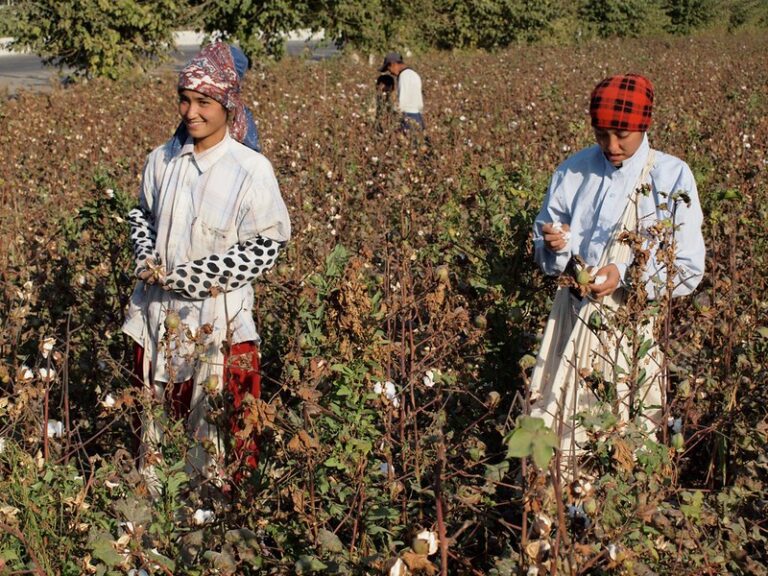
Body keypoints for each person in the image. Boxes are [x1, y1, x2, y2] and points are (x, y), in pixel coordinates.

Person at [122, 41, 291, 489]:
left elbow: (269, 242)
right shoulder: (161, 160)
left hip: (221, 323)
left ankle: (218, 532)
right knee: (160, 430)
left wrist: (199, 277)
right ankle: (159, 532)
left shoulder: (250, 169)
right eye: (185, 100)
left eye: (204, 102)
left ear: (228, 104)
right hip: (159, 317)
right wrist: (145, 254)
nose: (191, 112)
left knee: (224, 436)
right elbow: (142, 214)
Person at [529, 74, 705, 463]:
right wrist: (555, 246)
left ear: (645, 124)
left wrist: (625, 275)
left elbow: (689, 268)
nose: (611, 145)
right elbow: (544, 244)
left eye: (622, 134)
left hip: (632, 327)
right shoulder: (573, 170)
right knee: (559, 434)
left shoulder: (671, 176)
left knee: (626, 439)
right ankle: (559, 513)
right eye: (601, 133)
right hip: (570, 317)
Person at [379, 52, 424, 132]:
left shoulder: (403, 76)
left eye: (388, 68)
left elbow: (402, 104)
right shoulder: (413, 74)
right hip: (418, 116)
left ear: (393, 64)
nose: (390, 72)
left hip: (409, 116)